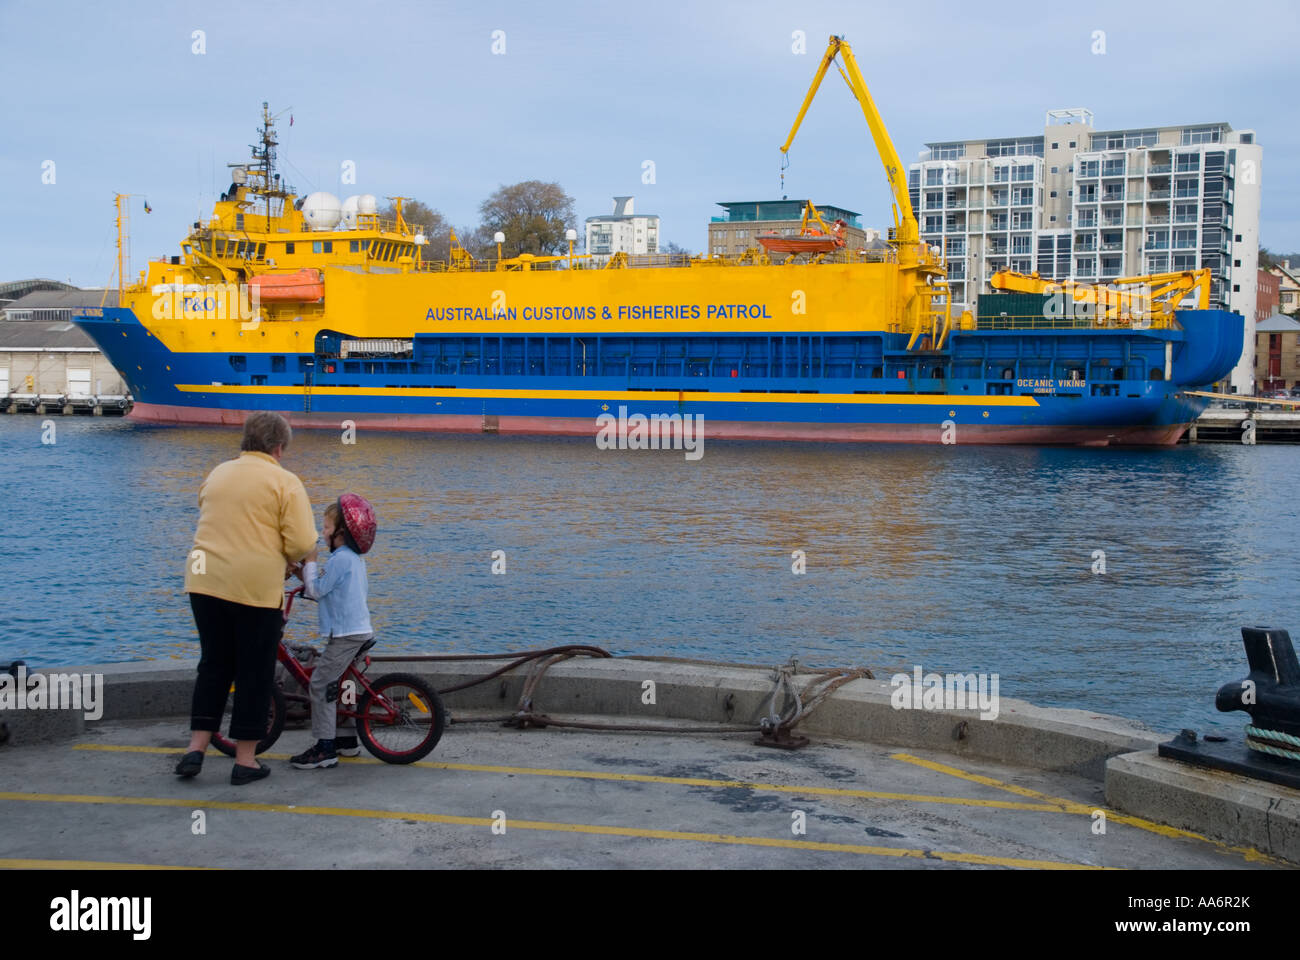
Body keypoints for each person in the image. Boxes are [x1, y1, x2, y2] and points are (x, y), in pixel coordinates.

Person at [174, 412, 317, 785]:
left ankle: (195, 748)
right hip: (253, 587)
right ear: (278, 447)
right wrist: (289, 559)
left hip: (204, 582)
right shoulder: (285, 482)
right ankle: (245, 761)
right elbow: (303, 542)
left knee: (215, 664)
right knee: (254, 671)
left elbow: (209, 510)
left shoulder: (218, 473)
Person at [289, 493, 376, 770]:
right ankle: (347, 740)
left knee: (321, 684)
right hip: (357, 631)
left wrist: (311, 559)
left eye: (325, 528)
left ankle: (325, 748)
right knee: (342, 684)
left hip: (346, 635)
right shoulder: (350, 558)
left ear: (341, 532)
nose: (322, 533)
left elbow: (315, 590)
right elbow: (321, 587)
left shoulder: (339, 559)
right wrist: (299, 571)